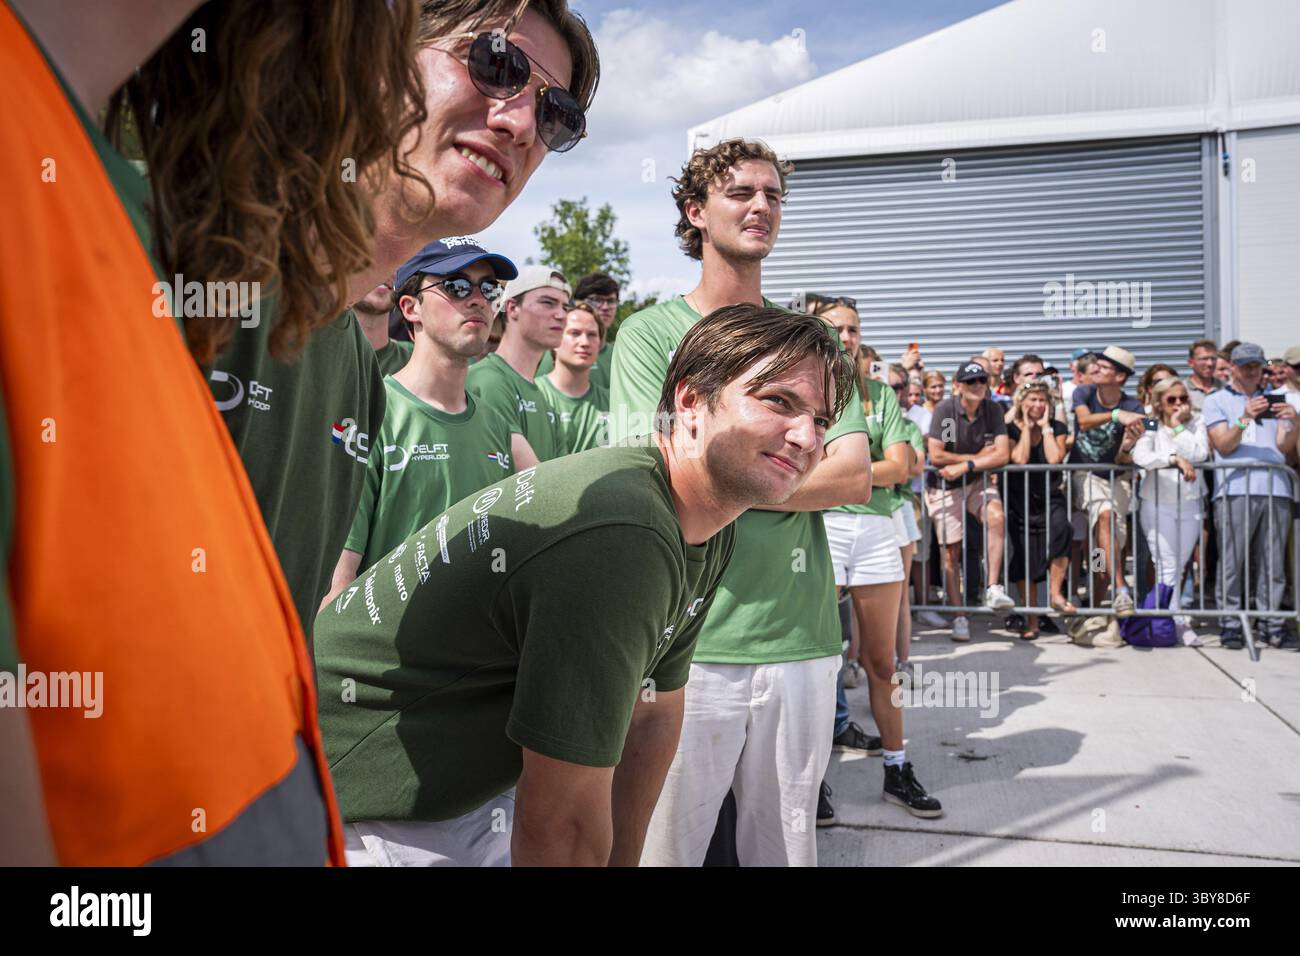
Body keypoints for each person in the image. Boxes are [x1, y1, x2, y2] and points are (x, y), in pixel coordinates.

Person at [103, 0, 598, 642]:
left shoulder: (353, 372)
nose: (522, 123)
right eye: (495, 63)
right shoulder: (138, 239)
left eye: (557, 114)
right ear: (377, 54)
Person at [315, 304, 854, 866]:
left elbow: (652, 716)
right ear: (691, 401)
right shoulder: (626, 530)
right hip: (356, 792)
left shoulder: (705, 519)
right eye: (778, 402)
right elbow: (562, 823)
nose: (806, 437)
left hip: (445, 786)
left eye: (821, 420)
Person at [610, 138, 874, 866]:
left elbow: (853, 474)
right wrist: (784, 472)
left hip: (800, 636)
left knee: (785, 851)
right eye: (740, 193)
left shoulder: (811, 338)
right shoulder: (649, 334)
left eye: (774, 195)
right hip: (685, 641)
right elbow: (661, 471)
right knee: (663, 850)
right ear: (695, 211)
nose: (761, 206)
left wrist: (735, 470)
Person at [324, 238, 520, 606]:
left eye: (489, 288)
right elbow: (336, 589)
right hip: (386, 658)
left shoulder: (495, 424)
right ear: (411, 308)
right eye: (457, 286)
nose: (477, 299)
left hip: (476, 656)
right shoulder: (372, 414)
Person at [825, 352, 942, 818]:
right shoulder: (809, 387)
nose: (846, 337)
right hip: (822, 528)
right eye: (837, 326)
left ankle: (896, 768)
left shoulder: (881, 394)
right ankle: (810, 783)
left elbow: (901, 466)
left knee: (882, 662)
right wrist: (867, 471)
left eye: (853, 328)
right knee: (816, 661)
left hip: (875, 530)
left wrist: (841, 475)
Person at [1203, 343, 1299, 649]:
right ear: (1232, 367)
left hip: (1275, 487)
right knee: (1233, 562)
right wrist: (1245, 417)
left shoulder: (1275, 399)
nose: (1251, 371)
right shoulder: (1216, 400)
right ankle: (1231, 623)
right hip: (1234, 488)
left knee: (1273, 563)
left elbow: (1283, 447)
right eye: (1245, 365)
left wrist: (1294, 422)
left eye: (1256, 365)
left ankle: (1273, 624)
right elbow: (1223, 445)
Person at [925, 362, 1015, 641]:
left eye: (982, 380)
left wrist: (968, 465)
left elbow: (1002, 455)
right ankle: (959, 615)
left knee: (996, 516)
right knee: (951, 552)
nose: (978, 385)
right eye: (971, 381)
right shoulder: (946, 411)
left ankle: (993, 587)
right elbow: (937, 456)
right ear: (959, 386)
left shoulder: (993, 409)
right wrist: (979, 457)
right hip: (943, 485)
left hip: (973, 480)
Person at [1132, 377, 1210, 646]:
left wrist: (1178, 428)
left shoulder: (1195, 422)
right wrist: (1172, 459)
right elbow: (1141, 456)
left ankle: (1167, 619)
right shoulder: (1150, 422)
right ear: (1160, 402)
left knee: (1180, 565)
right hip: (1156, 503)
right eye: (1172, 400)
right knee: (1166, 564)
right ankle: (1176, 621)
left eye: (1183, 399)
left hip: (1189, 502)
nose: (1179, 404)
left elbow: (1200, 453)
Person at [468, 266, 572, 468]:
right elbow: (531, 480)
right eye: (548, 303)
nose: (561, 315)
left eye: (565, 307)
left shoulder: (543, 400)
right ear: (513, 307)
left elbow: (561, 477)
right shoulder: (488, 380)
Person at [1069, 345, 1145, 616]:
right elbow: (1085, 422)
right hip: (1085, 473)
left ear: (1120, 377)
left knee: (1105, 546)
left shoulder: (1133, 406)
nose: (1096, 368)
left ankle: (1095, 608)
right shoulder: (1085, 392)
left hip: (1117, 477)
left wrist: (1126, 447)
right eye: (1096, 363)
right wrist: (1115, 415)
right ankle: (1122, 589)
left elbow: (1125, 459)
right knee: (1104, 517)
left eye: (1104, 366)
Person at [1005, 382, 1075, 639]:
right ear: (1022, 402)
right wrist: (1025, 428)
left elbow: (1055, 458)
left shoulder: (1056, 428)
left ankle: (1056, 594)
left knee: (1063, 529)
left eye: (1042, 401)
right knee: (1026, 557)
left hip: (1050, 496)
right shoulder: (1012, 428)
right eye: (1032, 400)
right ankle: (1031, 620)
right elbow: (1020, 459)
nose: (1037, 405)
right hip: (1019, 499)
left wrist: (1045, 427)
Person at [538, 302, 611, 455]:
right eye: (575, 333)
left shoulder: (612, 401)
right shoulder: (533, 395)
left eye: (592, 335)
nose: (584, 342)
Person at [535, 271, 620, 389]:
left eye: (611, 301)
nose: (605, 307)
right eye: (596, 300)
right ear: (577, 302)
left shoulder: (619, 354)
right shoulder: (560, 349)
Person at [356, 282, 414, 376]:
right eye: (368, 266)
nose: (387, 273)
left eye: (395, 267)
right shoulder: (325, 355)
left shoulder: (416, 358)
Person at [1185, 339, 1221, 412]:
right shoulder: (1181, 390)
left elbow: (1240, 419)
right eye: (1204, 359)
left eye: (1213, 358)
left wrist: (1245, 419)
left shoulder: (1226, 388)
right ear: (1190, 363)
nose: (1210, 363)